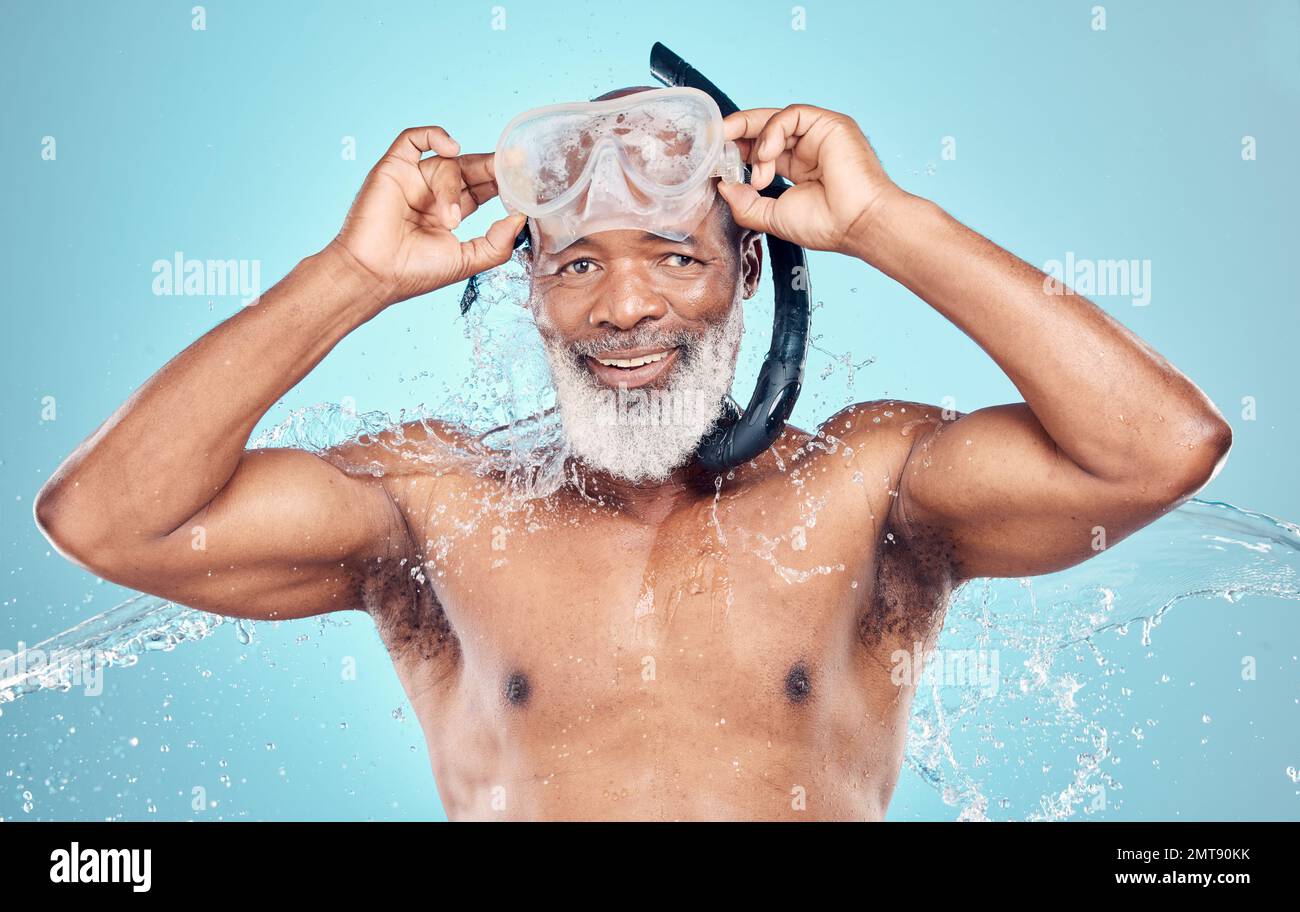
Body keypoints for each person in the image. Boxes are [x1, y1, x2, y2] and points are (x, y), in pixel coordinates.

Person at [33, 90, 1231, 820]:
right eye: (575, 264)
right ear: (528, 290)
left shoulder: (865, 487)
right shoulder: (437, 502)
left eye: (674, 255)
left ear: (752, 263)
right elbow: (108, 520)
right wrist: (350, 277)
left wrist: (877, 219)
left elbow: (1155, 449)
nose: (622, 309)